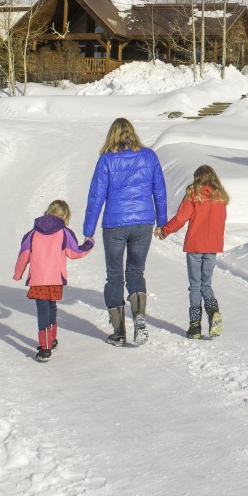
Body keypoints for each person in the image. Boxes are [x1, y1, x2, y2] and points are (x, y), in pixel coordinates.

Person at [84, 117, 168, 347]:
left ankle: (119, 332)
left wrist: (88, 229)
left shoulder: (106, 160)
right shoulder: (149, 156)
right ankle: (139, 316)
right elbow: (159, 191)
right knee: (135, 272)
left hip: (114, 224)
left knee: (114, 275)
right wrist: (162, 222)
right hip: (143, 222)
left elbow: (96, 196)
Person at [13, 199, 94, 362]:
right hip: (55, 279)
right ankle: (50, 342)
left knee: (43, 310)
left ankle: (45, 346)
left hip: (38, 279)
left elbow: (24, 254)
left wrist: (18, 273)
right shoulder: (65, 232)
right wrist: (89, 243)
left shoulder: (33, 233)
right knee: (51, 306)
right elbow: (74, 252)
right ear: (64, 216)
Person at [159, 164, 229, 339]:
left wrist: (164, 230)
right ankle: (214, 312)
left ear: (197, 178)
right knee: (206, 284)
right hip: (212, 247)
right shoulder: (220, 197)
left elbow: (181, 218)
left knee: (195, 285)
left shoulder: (193, 194)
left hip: (195, 246)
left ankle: (195, 326)